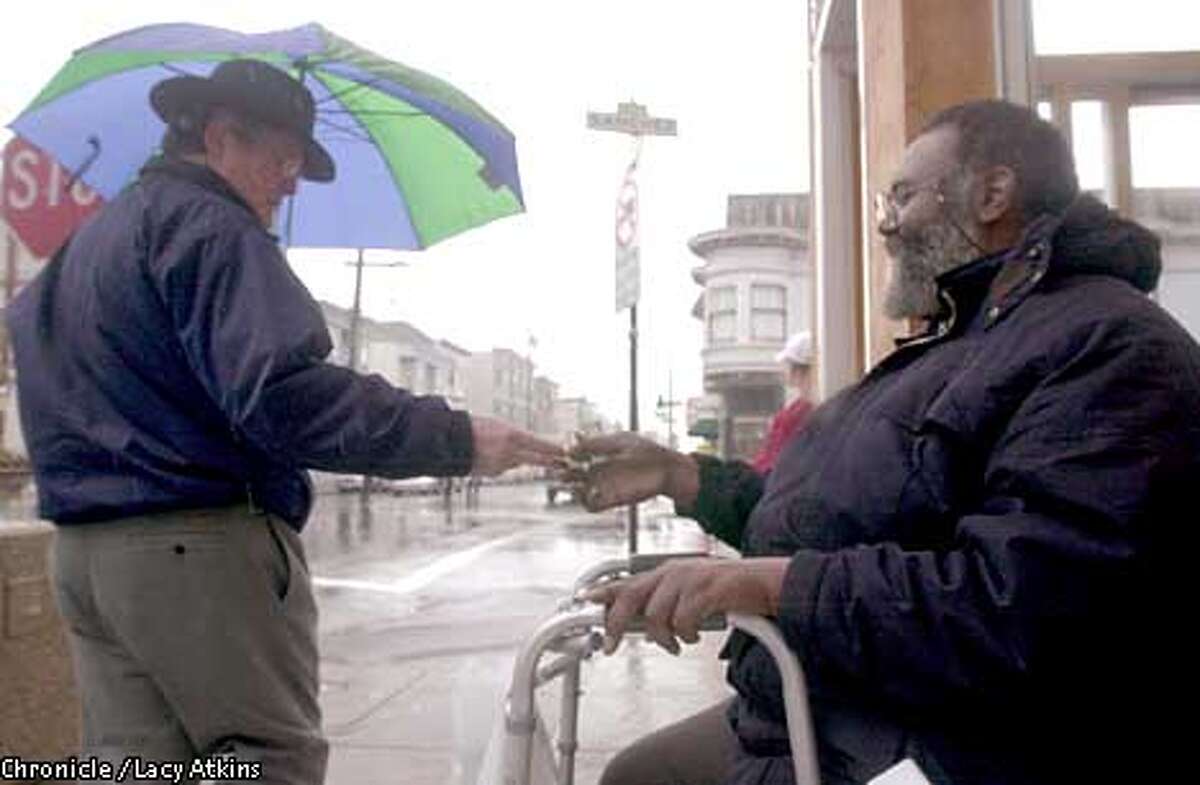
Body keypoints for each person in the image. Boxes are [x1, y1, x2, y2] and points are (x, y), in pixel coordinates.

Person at [569, 100, 1199, 785]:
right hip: (833, 706)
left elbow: (1025, 607)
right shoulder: (958, 343)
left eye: (902, 197)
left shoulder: (1107, 346)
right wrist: (683, 476)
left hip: (948, 746)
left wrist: (773, 584)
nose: (886, 225)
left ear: (992, 193)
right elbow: (831, 523)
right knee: (636, 772)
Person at [5, 59, 563, 784]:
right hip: (196, 544)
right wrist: (458, 437)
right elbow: (284, 394)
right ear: (220, 137)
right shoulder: (213, 228)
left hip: (84, 553)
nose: (292, 182)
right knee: (267, 759)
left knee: (135, 765)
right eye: (286, 158)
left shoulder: (85, 247)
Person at [750, 331, 814, 474]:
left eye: (788, 366)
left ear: (798, 371)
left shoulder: (797, 414)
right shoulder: (799, 409)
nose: (785, 372)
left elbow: (772, 461)